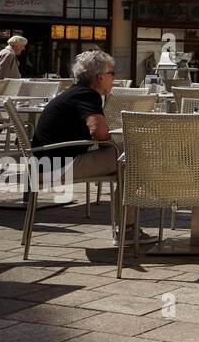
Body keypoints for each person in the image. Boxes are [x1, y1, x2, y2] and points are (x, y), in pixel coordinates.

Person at [30, 50, 136, 235]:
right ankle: (128, 229)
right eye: (113, 74)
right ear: (101, 77)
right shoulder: (87, 95)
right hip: (56, 166)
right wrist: (110, 145)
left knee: (124, 158)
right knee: (132, 157)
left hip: (44, 162)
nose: (114, 78)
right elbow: (99, 133)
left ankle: (128, 226)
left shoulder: (75, 92)